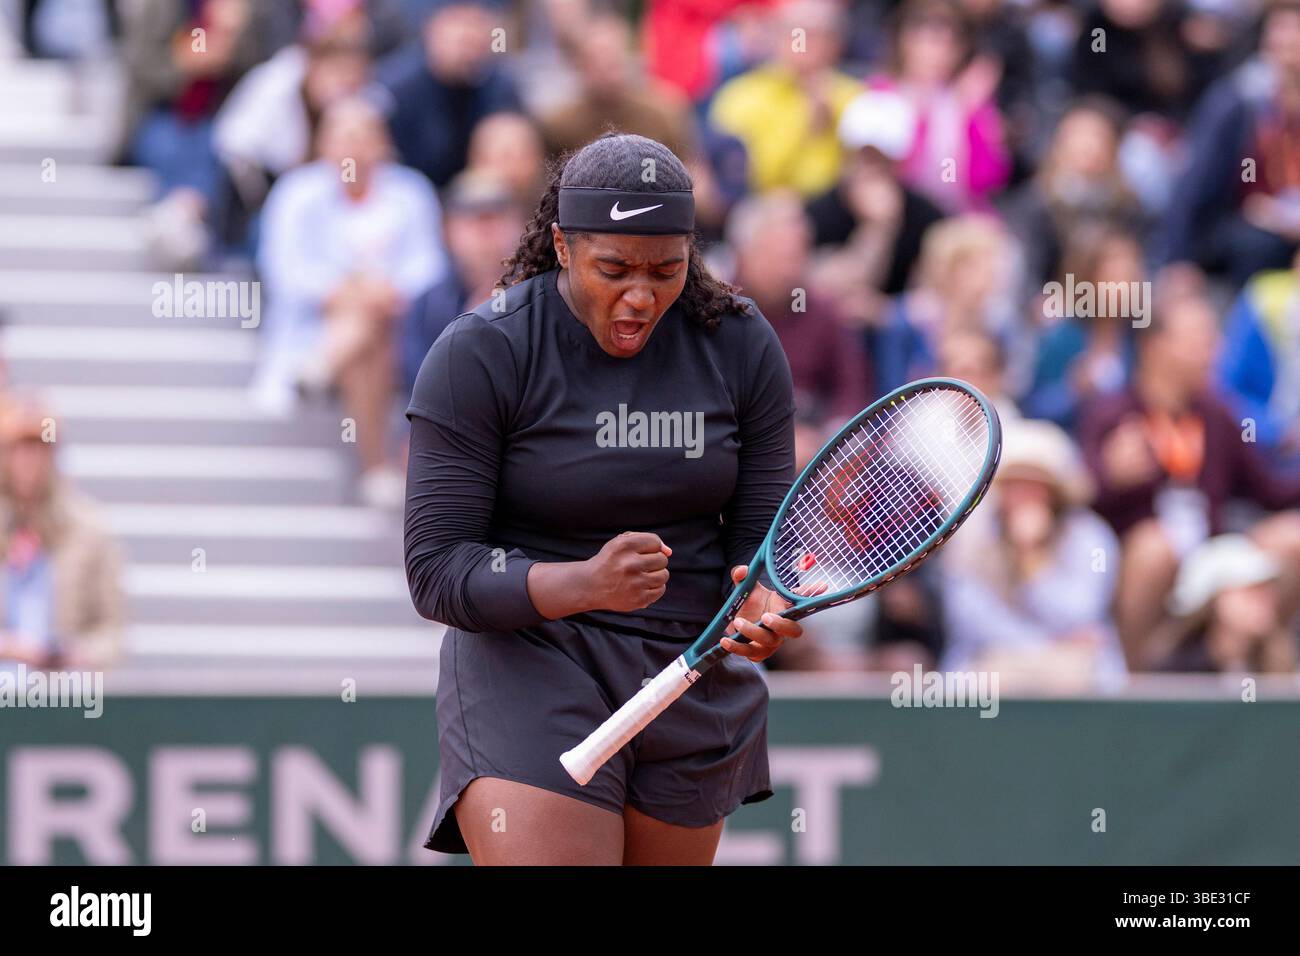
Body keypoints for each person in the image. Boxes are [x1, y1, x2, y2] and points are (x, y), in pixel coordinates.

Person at [403, 133, 810, 865]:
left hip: (689, 666)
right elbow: (436, 568)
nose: (641, 294)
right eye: (613, 268)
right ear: (562, 246)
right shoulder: (483, 352)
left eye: (667, 269)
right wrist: (583, 584)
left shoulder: (741, 344)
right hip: (528, 660)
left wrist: (762, 599)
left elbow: (761, 535)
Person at [1078, 291, 1300, 663]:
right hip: (1137, 564)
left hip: (1208, 552)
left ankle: (1265, 675)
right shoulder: (1113, 413)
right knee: (1155, 548)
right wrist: (1109, 477)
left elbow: (1270, 491)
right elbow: (1076, 497)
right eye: (1199, 340)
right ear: (1154, 346)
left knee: (1293, 538)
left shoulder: (1216, 412)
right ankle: (1135, 688)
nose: (1212, 351)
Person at [254, 96, 448, 508]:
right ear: (323, 145)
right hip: (321, 322)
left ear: (383, 144)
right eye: (342, 137)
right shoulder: (296, 193)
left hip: (395, 322)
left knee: (373, 327)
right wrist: (345, 292)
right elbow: (283, 269)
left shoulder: (411, 192)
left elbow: (428, 265)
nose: (353, 148)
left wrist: (390, 292)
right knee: (368, 333)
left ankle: (322, 366)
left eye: (363, 136)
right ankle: (376, 469)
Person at [940, 418, 1126, 688]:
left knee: (1071, 677)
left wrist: (1032, 561)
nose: (1024, 495)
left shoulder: (1091, 537)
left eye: (1035, 484)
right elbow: (969, 617)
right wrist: (1042, 648)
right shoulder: (971, 535)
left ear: (1055, 491)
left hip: (1076, 669)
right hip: (987, 663)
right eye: (1015, 484)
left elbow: (1083, 613)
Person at [1156, 0, 1300, 287]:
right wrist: (1177, 259)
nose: (1290, 40)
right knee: (1257, 245)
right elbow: (1195, 183)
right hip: (1245, 225)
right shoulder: (1238, 102)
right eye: (1282, 30)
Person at [0, 402, 125, 673]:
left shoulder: (89, 530)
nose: (27, 462)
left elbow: (112, 632)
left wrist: (74, 654)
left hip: (61, 692)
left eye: (37, 450)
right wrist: (9, 648)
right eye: (18, 451)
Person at [805, 88, 946, 325]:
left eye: (880, 158)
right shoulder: (818, 211)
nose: (869, 167)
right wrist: (877, 229)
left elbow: (936, 298)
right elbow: (818, 289)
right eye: (862, 155)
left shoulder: (927, 216)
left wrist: (887, 313)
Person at [708, 0, 863, 197]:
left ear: (836, 43)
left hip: (835, 213)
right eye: (798, 34)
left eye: (819, 35)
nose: (806, 45)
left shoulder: (853, 97)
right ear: (777, 36)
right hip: (761, 207)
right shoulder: (742, 96)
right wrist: (804, 125)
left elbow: (861, 173)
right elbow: (747, 176)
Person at [400, 169, 526, 402]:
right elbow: (416, 382)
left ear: (519, 226)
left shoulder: (545, 296)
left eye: (496, 218)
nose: (486, 234)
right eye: (473, 221)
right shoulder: (427, 304)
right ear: (448, 231)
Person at [371, 0, 523, 189]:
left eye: (476, 23)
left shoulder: (499, 84)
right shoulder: (397, 88)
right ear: (432, 30)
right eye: (459, 25)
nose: (469, 35)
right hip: (413, 196)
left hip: (480, 199)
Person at [1152, 534, 1296, 673]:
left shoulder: (1280, 663)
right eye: (1252, 590)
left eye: (1266, 588)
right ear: (1217, 601)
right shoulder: (1178, 673)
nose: (1266, 598)